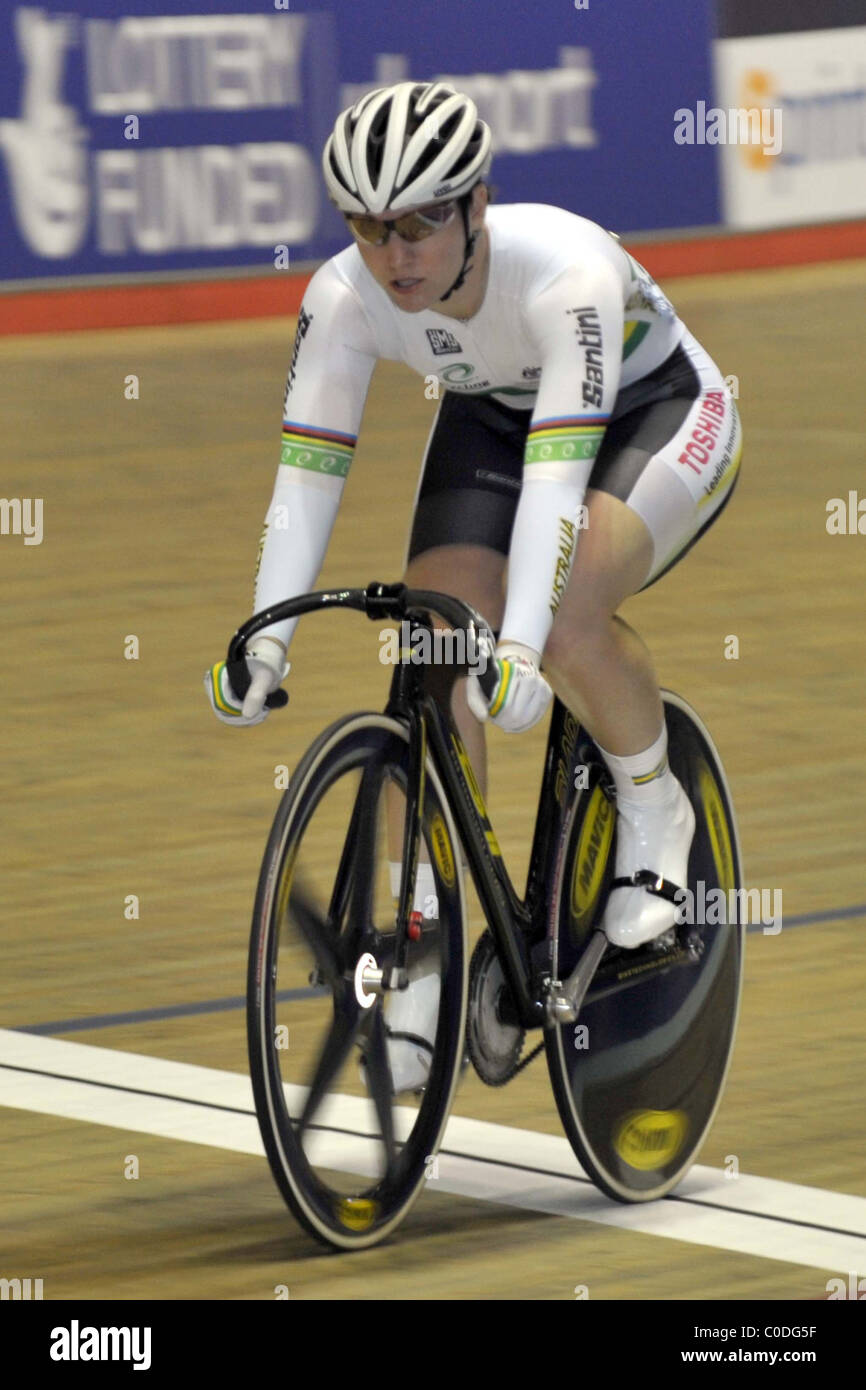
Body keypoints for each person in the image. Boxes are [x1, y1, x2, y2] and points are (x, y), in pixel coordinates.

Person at [205, 80, 742, 1090]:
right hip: (497, 414)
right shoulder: (343, 297)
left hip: (650, 410)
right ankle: (425, 938)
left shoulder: (564, 273)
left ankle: (651, 803)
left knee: (571, 600)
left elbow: (554, 481)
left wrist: (528, 647)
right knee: (431, 644)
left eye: (418, 224)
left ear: (477, 203)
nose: (393, 255)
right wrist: (262, 638)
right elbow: (304, 475)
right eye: (368, 226)